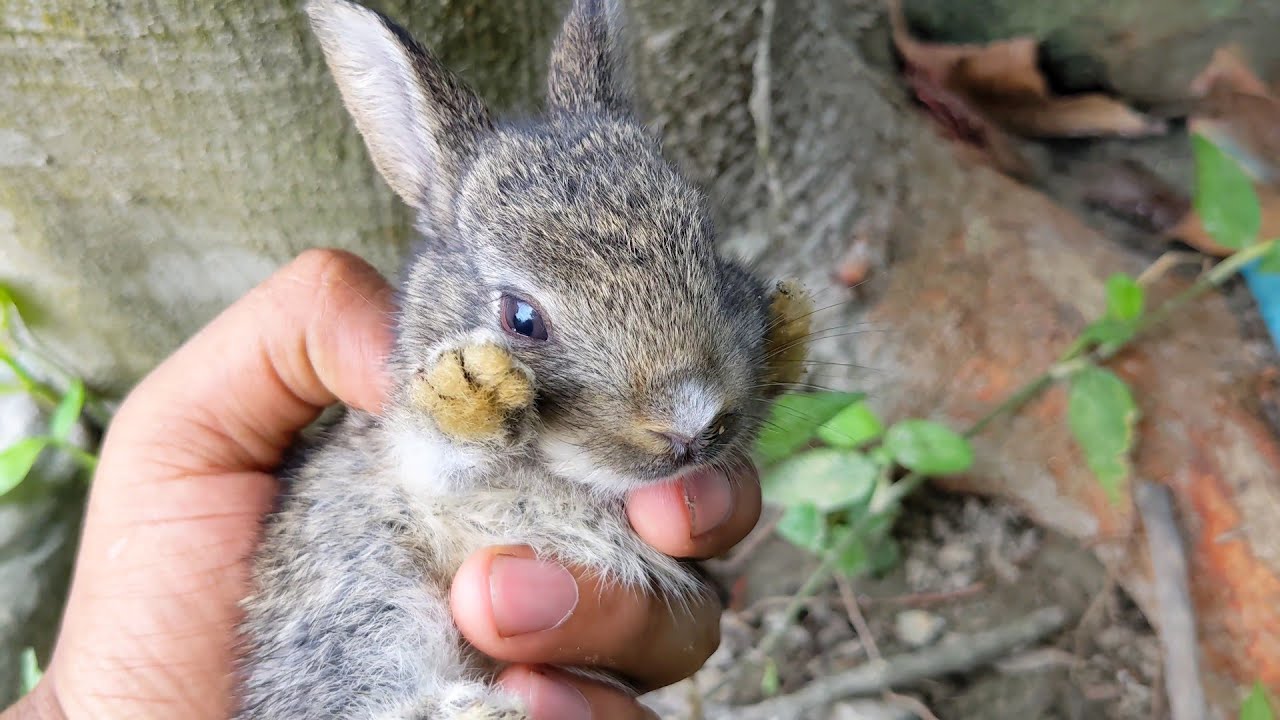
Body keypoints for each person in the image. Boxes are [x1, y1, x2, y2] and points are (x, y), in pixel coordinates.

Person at [1, 250, 762, 720]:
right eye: (525, 319)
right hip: (407, 560)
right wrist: (450, 416)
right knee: (372, 573)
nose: (681, 415)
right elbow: (428, 471)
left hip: (538, 638)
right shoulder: (446, 378)